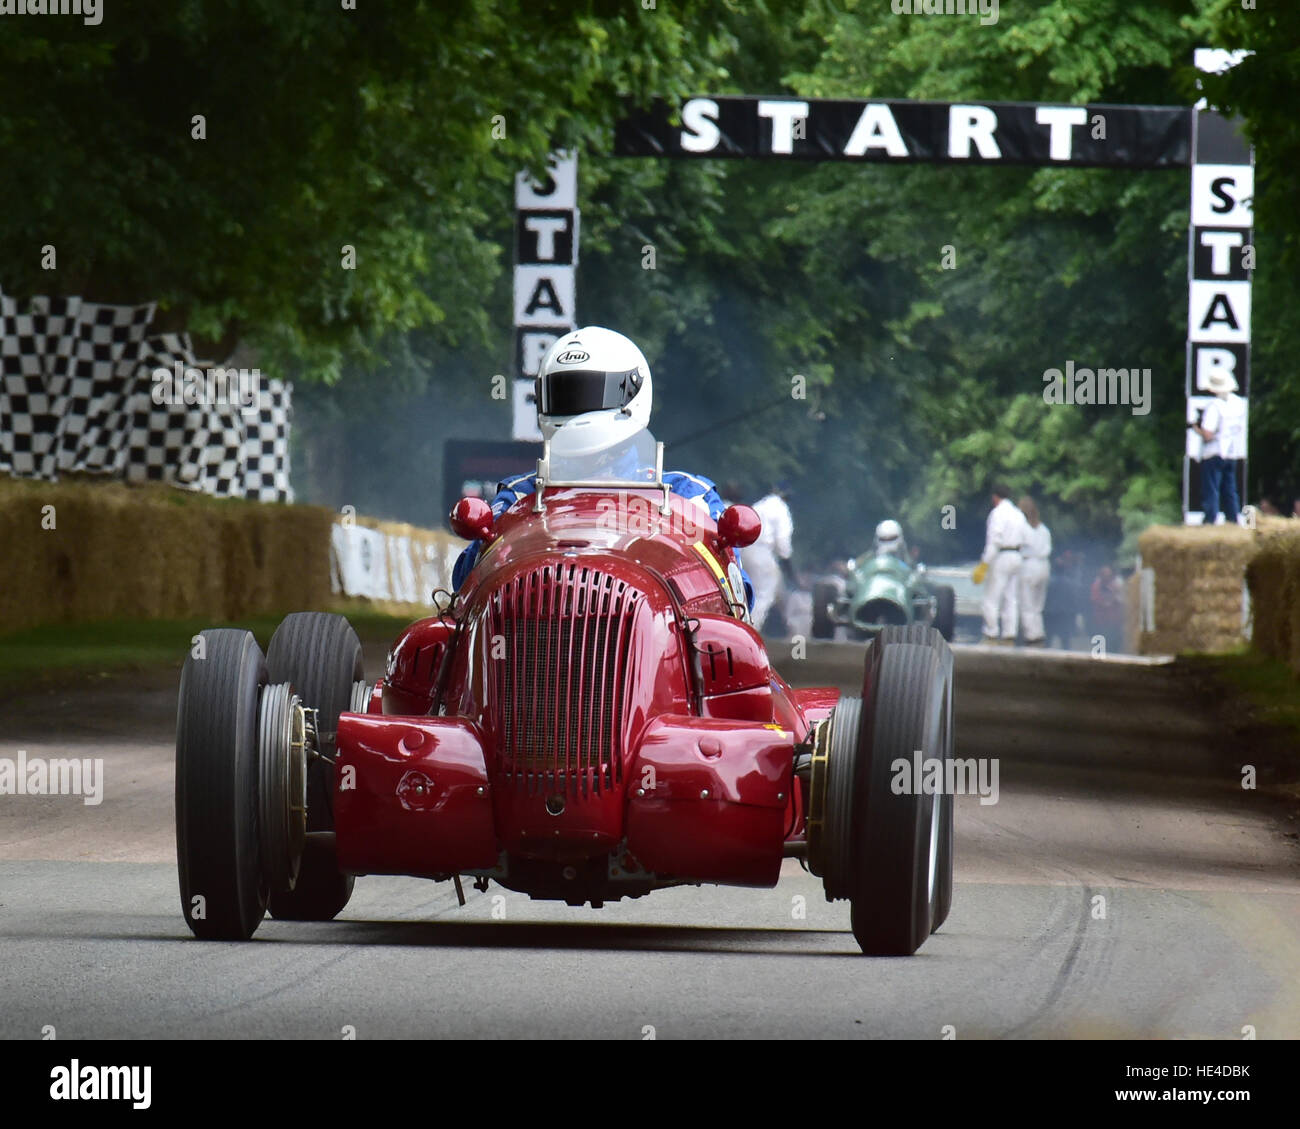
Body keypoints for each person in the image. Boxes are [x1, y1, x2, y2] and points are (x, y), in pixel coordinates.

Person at [451, 327, 752, 610]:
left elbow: (737, 599)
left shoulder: (689, 495)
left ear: (632, 392)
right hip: (534, 631)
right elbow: (466, 586)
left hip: (655, 648)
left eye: (589, 393)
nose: (575, 407)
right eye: (563, 395)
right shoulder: (521, 493)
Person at [977, 483, 1031, 644]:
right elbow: (1026, 538)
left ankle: (991, 633)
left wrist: (984, 563)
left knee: (991, 598)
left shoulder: (997, 514)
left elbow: (995, 541)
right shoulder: (1018, 514)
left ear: (995, 497)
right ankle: (1009, 635)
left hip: (1002, 556)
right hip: (1017, 556)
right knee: (1011, 598)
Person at [1194, 369, 1247, 524]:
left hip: (1214, 452)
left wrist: (1197, 429)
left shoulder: (1214, 406)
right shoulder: (1238, 404)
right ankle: (1233, 520)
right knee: (1230, 490)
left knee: (1211, 490)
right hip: (1231, 452)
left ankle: (1210, 522)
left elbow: (1208, 434)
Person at [748, 484, 795, 635]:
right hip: (763, 552)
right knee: (763, 595)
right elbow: (783, 544)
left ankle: (790, 629)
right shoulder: (781, 508)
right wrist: (789, 568)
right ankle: (750, 632)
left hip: (745, 549)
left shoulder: (759, 505)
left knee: (751, 592)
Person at [1017, 496, 1051, 646]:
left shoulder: (1022, 528)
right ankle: (1039, 632)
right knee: (1038, 604)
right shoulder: (1044, 529)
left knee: (1027, 603)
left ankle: (1031, 636)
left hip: (1029, 564)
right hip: (1044, 565)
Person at [1089, 565, 1125, 654]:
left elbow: (1121, 600)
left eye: (1108, 574)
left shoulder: (1116, 585)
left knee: (1113, 643)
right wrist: (1104, 603)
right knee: (1100, 641)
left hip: (1113, 619)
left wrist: (1114, 600)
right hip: (1100, 619)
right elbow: (1094, 599)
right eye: (1104, 574)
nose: (1106, 576)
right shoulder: (1096, 585)